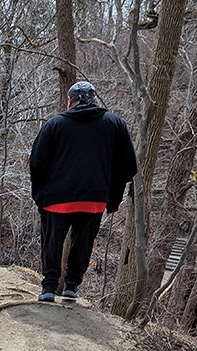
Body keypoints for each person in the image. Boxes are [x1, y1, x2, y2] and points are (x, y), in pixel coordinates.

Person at [30, 80, 137, 302]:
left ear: (70, 101)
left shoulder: (55, 124)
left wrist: (40, 195)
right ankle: (71, 286)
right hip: (94, 198)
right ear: (94, 98)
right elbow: (128, 167)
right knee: (84, 241)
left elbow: (37, 163)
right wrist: (111, 195)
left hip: (56, 198)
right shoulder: (115, 124)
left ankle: (49, 288)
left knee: (52, 240)